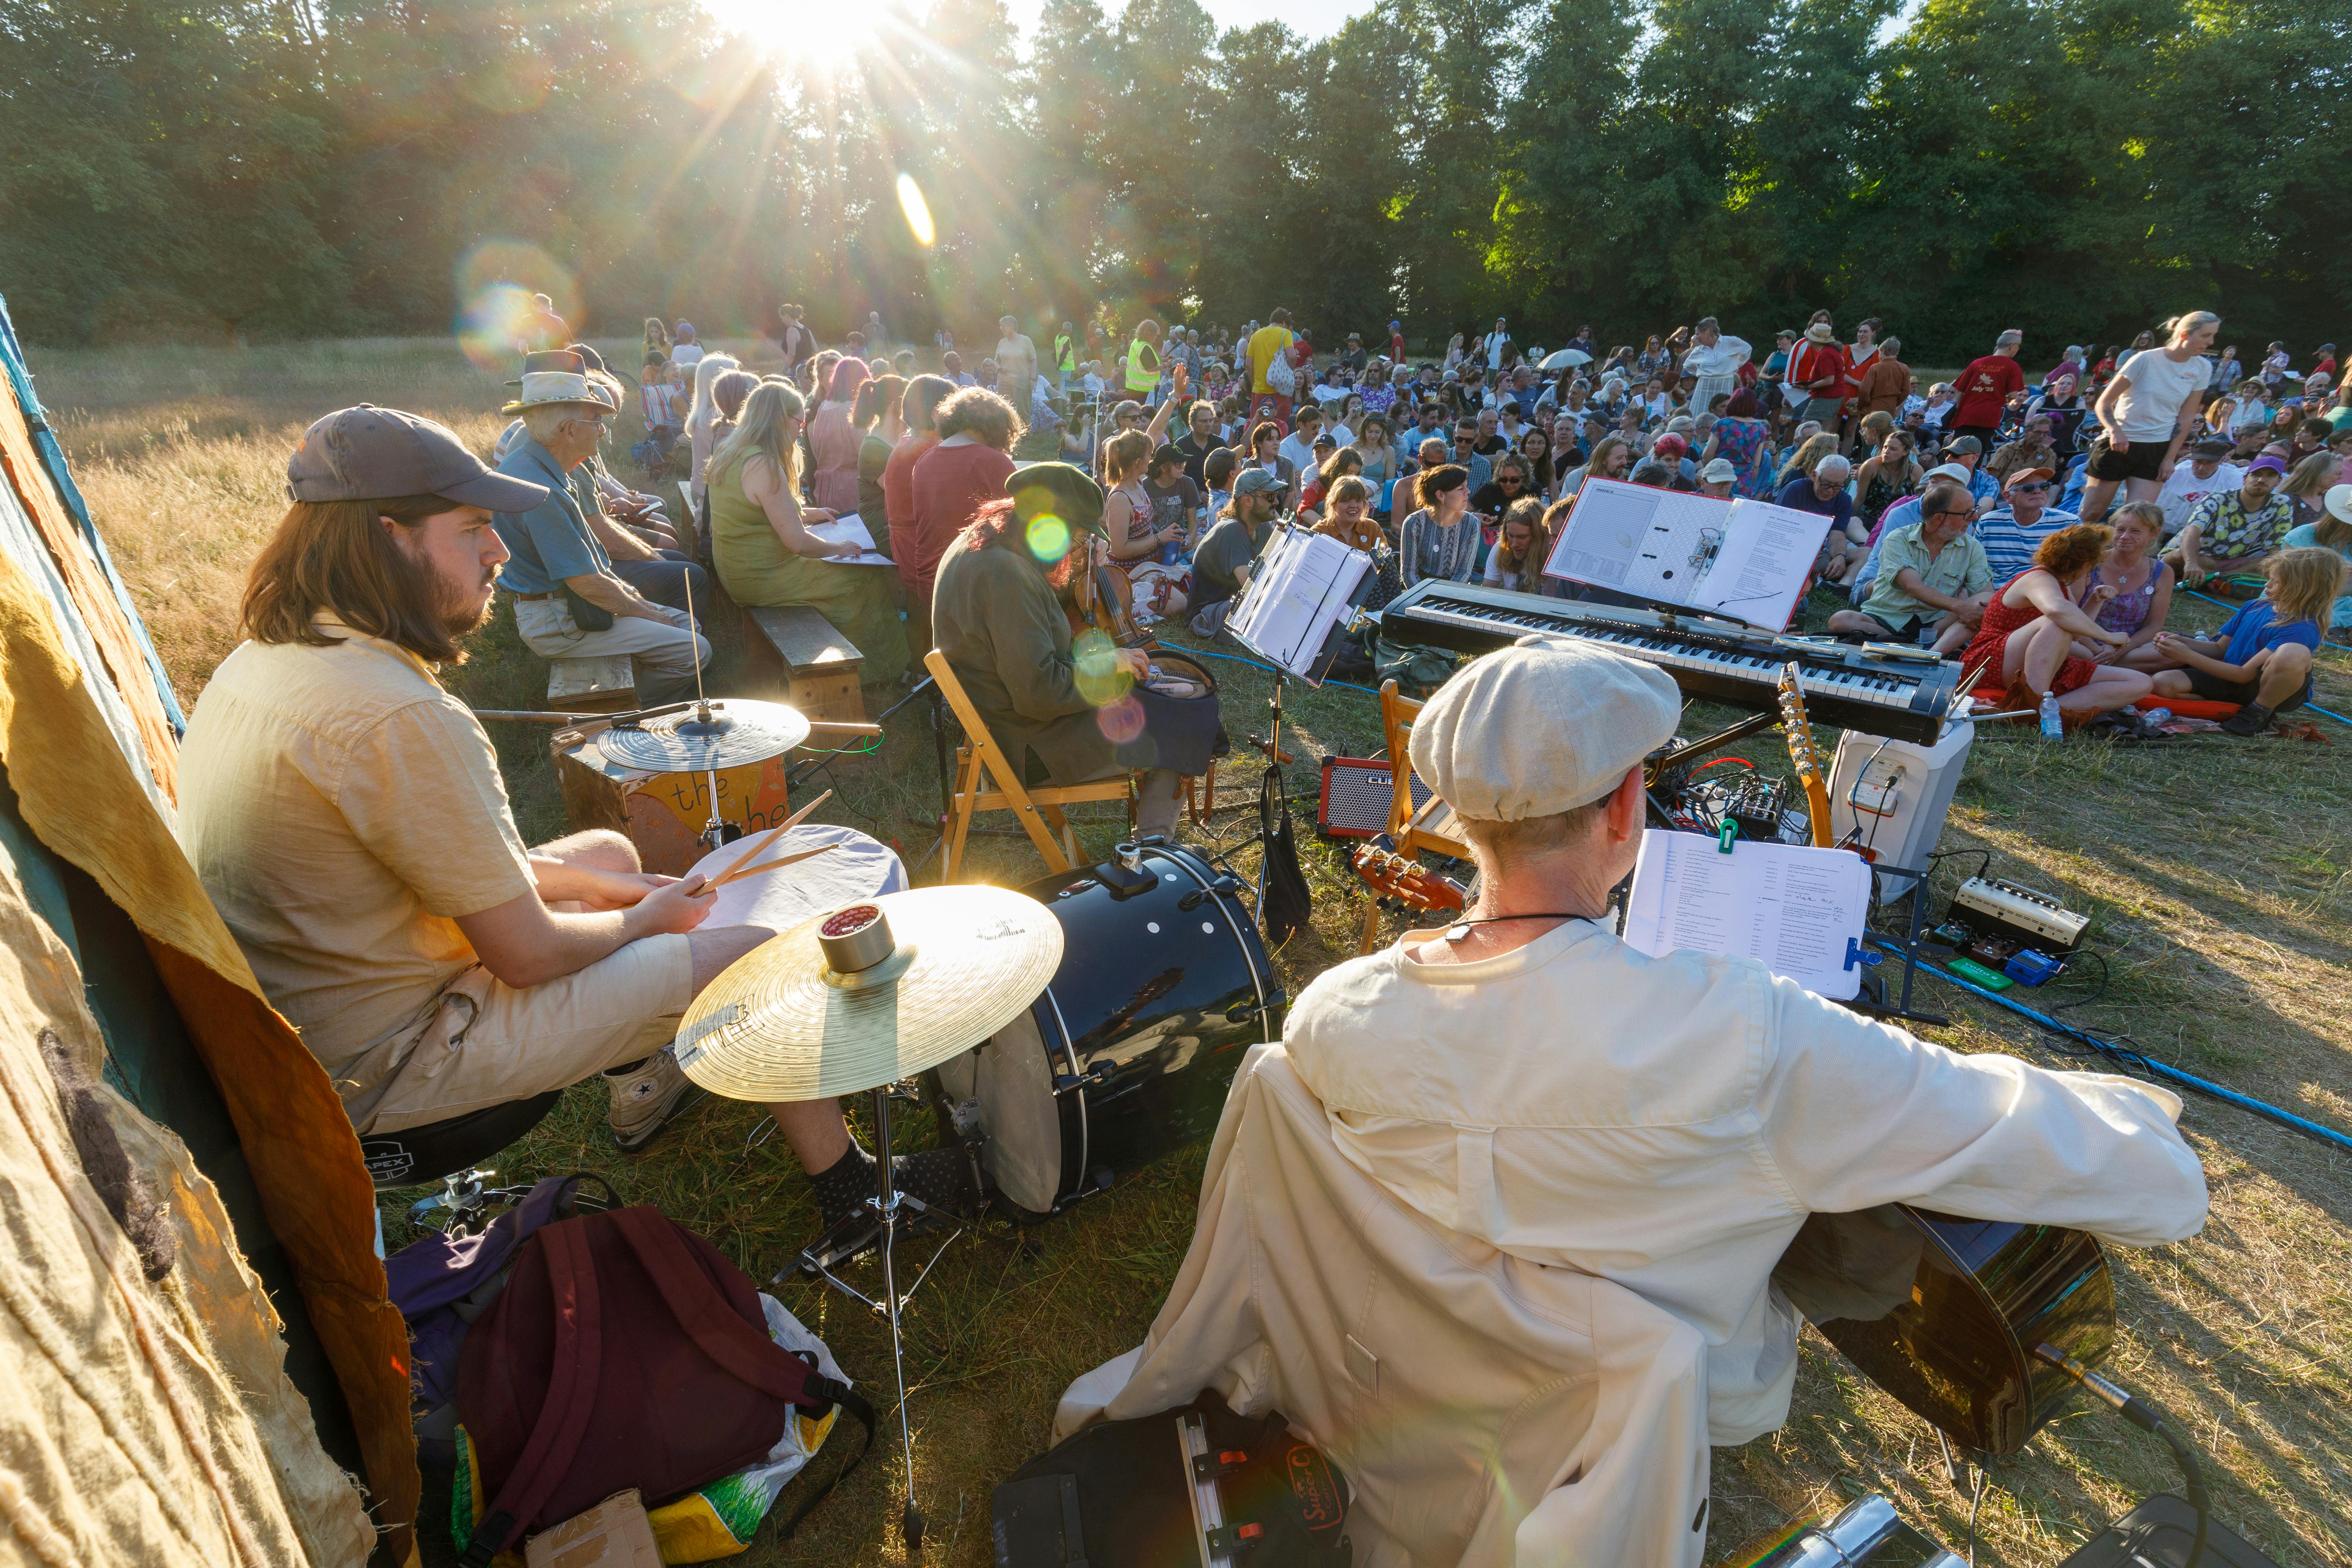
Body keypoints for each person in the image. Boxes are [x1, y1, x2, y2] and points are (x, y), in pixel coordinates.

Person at [1282, 637, 2207, 1449]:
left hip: (1425, 1366)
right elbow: (2107, 1167)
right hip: (1654, 1411)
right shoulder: (1746, 1036)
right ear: (1622, 810)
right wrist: (2150, 1128)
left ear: (1457, 814)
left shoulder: (1330, 1013)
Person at [179, 406, 975, 1225]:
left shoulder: (270, 657)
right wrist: (651, 922)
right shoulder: (396, 716)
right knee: (749, 951)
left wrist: (611, 889)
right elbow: (526, 954)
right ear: (388, 538)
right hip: (384, 1066)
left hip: (321, 1013)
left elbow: (437, 864)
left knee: (604, 852)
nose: (499, 550)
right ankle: (857, 1193)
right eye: (475, 528)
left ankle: (644, 1079)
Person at [932, 463, 1199, 837]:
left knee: (1163, 702)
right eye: (1076, 540)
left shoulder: (983, 541)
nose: (1076, 550)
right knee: (1179, 726)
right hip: (1028, 745)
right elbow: (1039, 693)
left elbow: (1029, 620)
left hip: (1004, 722)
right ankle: (1150, 853)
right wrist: (1110, 665)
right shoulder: (1006, 575)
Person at [489, 356, 711, 704]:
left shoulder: (542, 464)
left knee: (686, 626)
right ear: (570, 430)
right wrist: (647, 611)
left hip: (566, 606)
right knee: (695, 650)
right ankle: (624, 721)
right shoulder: (542, 490)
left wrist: (642, 606)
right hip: (560, 620)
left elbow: (591, 564)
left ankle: (638, 695)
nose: (604, 430)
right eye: (596, 420)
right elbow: (586, 582)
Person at [707, 380, 909, 686]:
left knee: (847, 569)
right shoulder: (763, 463)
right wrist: (839, 548)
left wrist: (807, 513)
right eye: (799, 421)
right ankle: (878, 673)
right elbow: (798, 542)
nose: (802, 428)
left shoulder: (733, 451)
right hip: (763, 575)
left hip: (739, 569)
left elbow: (756, 511)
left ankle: (857, 662)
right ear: (779, 419)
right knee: (863, 577)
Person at [1958, 523, 2154, 717]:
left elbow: (2075, 633)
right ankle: (2033, 700)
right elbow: (2057, 612)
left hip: (2038, 662)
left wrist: (2096, 600)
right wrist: (2108, 637)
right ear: (2083, 563)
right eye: (2092, 565)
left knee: (2140, 683)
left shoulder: (2059, 582)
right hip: (1990, 661)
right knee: (2055, 623)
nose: (2092, 570)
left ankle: (2040, 711)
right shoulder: (2037, 578)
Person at [2141, 547, 2337, 734]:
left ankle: (2259, 711)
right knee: (2162, 682)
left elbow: (2245, 675)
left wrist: (2188, 656)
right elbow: (2220, 649)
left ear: (2302, 588)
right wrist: (2183, 642)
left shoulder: (2301, 627)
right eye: (2269, 579)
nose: (2266, 585)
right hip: (2232, 677)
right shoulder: (2255, 606)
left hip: (2264, 687)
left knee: (2293, 652)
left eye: (2276, 582)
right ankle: (2230, 709)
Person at [2080, 311, 2220, 524]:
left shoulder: (2202, 367)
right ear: (2184, 335)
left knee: (2139, 520)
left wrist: (2169, 458)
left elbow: (2187, 416)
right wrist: (2115, 431)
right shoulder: (2145, 359)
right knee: (2092, 514)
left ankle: (2120, 557)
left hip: (2156, 449)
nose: (2211, 342)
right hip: (2118, 444)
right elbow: (2104, 402)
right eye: (2206, 336)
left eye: (2213, 336)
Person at [1829, 480, 1990, 653]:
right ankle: (1921, 647)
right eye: (1967, 513)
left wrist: (1979, 608)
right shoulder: (1899, 539)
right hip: (1886, 619)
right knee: (1841, 620)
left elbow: (1985, 593)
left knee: (1982, 603)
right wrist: (1962, 607)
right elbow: (1913, 587)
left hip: (1936, 623)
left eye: (1975, 510)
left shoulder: (1972, 547)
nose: (1975, 517)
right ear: (1939, 519)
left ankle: (1921, 650)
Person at [2164, 454, 2292, 587]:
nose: (2261, 480)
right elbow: (2192, 532)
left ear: (2279, 481)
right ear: (2245, 479)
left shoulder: (2281, 504)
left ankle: (2217, 579)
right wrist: (2191, 563)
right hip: (2195, 555)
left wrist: (2279, 567)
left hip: (2231, 562)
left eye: (2270, 476)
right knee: (2191, 560)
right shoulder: (2217, 499)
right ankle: (2221, 580)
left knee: (2269, 564)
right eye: (2256, 475)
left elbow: (2275, 546)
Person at [2081, 500, 2175, 665]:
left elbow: (2154, 626)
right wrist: (2099, 650)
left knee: (2173, 652)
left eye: (2136, 531)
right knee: (2061, 642)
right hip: (2083, 641)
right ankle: (2103, 666)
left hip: (2129, 648)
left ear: (2154, 534)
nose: (2125, 537)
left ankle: (2098, 667)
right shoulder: (2090, 562)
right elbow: (2070, 613)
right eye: (2121, 530)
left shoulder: (2162, 573)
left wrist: (2119, 651)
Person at [1192, 467, 1285, 615]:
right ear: (1248, 500)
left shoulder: (1262, 528)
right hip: (1208, 614)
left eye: (1276, 496)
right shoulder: (1232, 530)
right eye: (1270, 497)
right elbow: (1251, 586)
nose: (1276, 502)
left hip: (1234, 604)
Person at [2280, 485, 2352, 640]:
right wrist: (2331, 573)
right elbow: (2285, 580)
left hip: (2342, 600)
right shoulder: (2301, 536)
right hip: (2301, 597)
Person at [1778, 453, 1863, 583]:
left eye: (1837, 486)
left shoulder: (1844, 500)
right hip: (1787, 551)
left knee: (1866, 554)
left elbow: (1837, 534)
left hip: (1817, 554)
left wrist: (1840, 556)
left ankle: (1842, 588)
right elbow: (1779, 529)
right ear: (1814, 476)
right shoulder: (1795, 490)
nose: (1830, 491)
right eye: (1826, 484)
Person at [805, 356, 870, 515]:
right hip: (850, 487)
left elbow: (816, 452)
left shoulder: (822, 408)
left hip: (825, 486)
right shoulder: (853, 410)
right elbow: (865, 455)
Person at [1398, 464, 1481, 587]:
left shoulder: (1471, 524)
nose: (1468, 492)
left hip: (1454, 591)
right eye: (1461, 488)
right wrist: (1422, 596)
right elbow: (1409, 572)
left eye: (1466, 487)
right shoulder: (1414, 523)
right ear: (1441, 495)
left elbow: (1463, 572)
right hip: (1417, 588)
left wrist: (1442, 598)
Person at [1948, 328, 2026, 456]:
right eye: (2019, 346)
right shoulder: (2013, 367)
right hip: (1989, 417)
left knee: (1957, 449)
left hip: (1967, 414)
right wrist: (2004, 397)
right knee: (1977, 452)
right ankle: (1973, 475)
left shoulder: (1977, 363)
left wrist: (1960, 407)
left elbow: (1959, 389)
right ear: (2012, 346)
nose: (2018, 349)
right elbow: (2013, 395)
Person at [853, 374, 905, 544]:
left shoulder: (897, 438)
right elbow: (902, 490)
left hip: (895, 525)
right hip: (881, 531)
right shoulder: (873, 449)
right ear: (895, 406)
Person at [1788, 321, 1846, 431]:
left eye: (1809, 337)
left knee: (1806, 428)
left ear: (1816, 340)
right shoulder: (1830, 352)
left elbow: (1829, 380)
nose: (1807, 339)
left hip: (1827, 396)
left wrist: (1807, 386)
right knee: (1820, 430)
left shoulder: (1826, 354)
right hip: (1833, 395)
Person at [1248, 309, 1298, 431]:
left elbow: (1249, 365)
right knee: (1280, 431)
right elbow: (1292, 356)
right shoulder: (1285, 333)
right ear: (1285, 323)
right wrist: (1290, 370)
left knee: (1257, 431)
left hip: (1259, 391)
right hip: (1281, 391)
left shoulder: (1256, 335)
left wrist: (1255, 384)